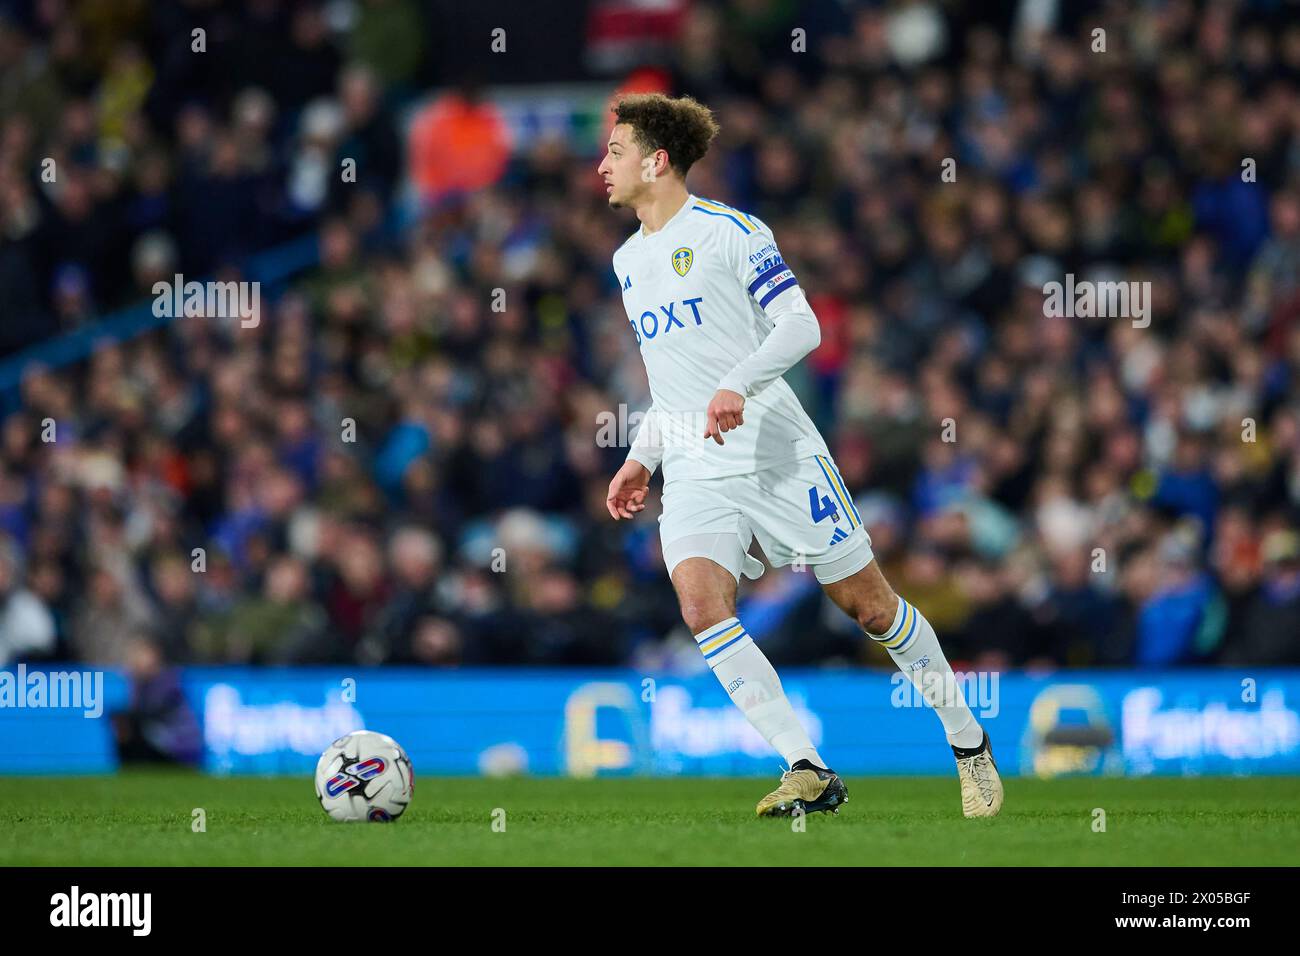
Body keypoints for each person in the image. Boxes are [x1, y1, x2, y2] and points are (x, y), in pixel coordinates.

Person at [599, 93, 1002, 818]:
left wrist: (738, 384)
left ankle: (968, 742)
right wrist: (642, 458)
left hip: (776, 451)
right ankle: (807, 766)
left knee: (870, 607)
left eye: (616, 152)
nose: (603, 166)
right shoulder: (628, 262)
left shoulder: (732, 233)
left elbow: (801, 325)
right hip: (694, 464)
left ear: (657, 162)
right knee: (700, 606)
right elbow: (671, 382)